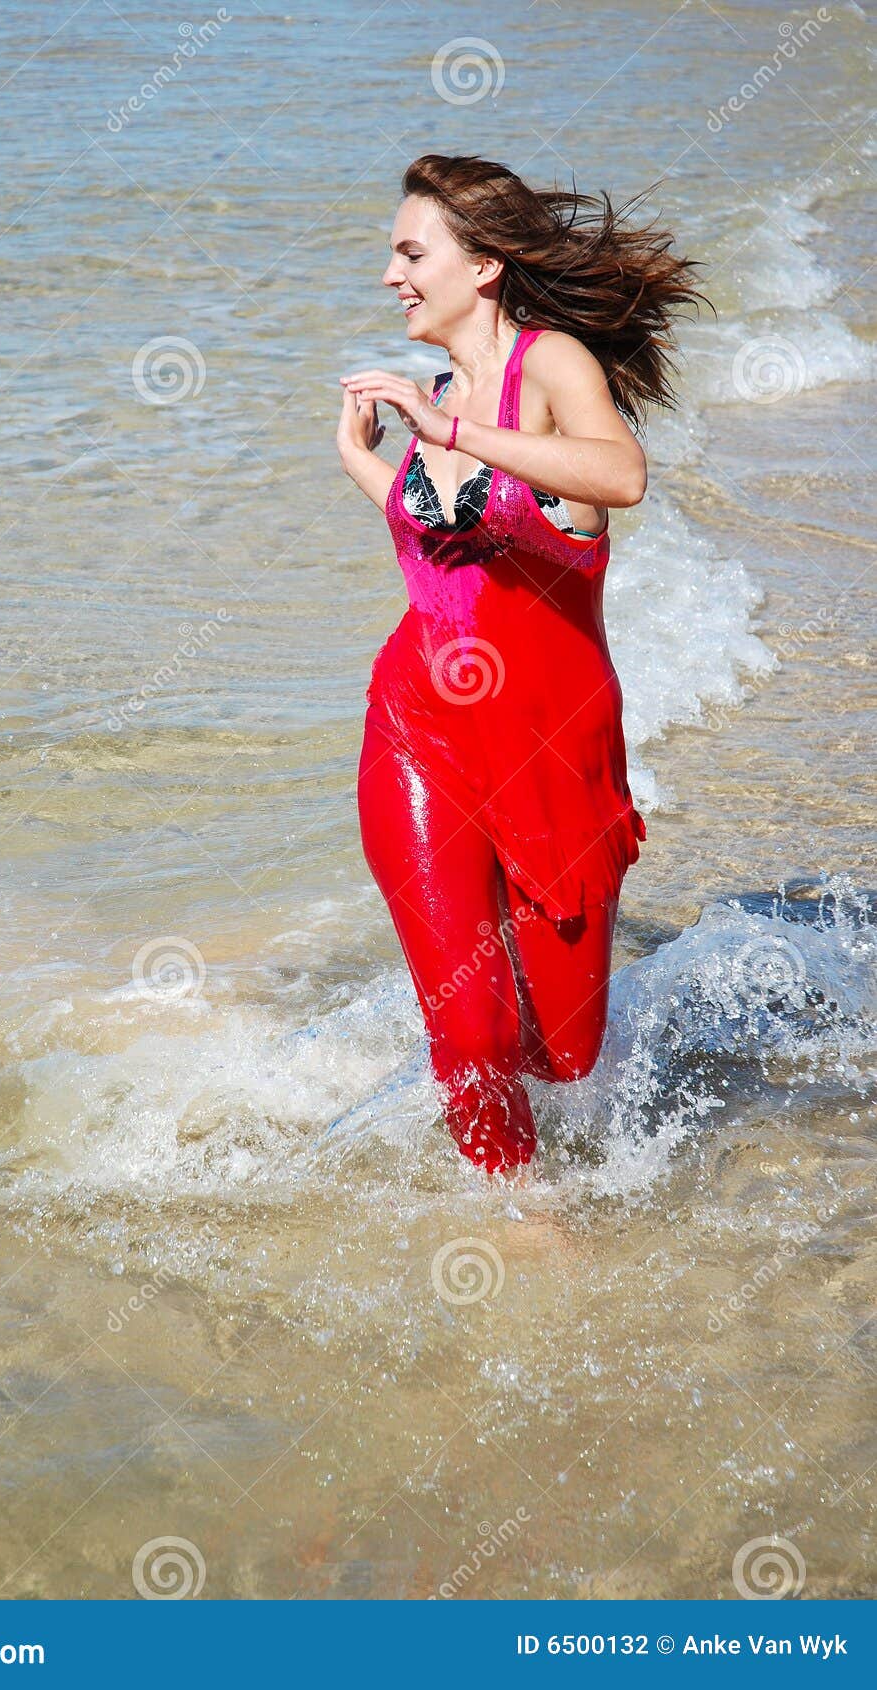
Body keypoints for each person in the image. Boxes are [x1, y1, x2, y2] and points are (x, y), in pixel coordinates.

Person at [337, 153, 709, 1179]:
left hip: (552, 751)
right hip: (420, 732)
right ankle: (522, 1227)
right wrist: (372, 466)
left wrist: (448, 429)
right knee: (470, 1024)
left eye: (412, 252)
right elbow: (447, 563)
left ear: (486, 265)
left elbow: (618, 474)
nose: (390, 275)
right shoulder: (436, 404)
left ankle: (541, 1148)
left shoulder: (545, 370)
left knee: (565, 1053)